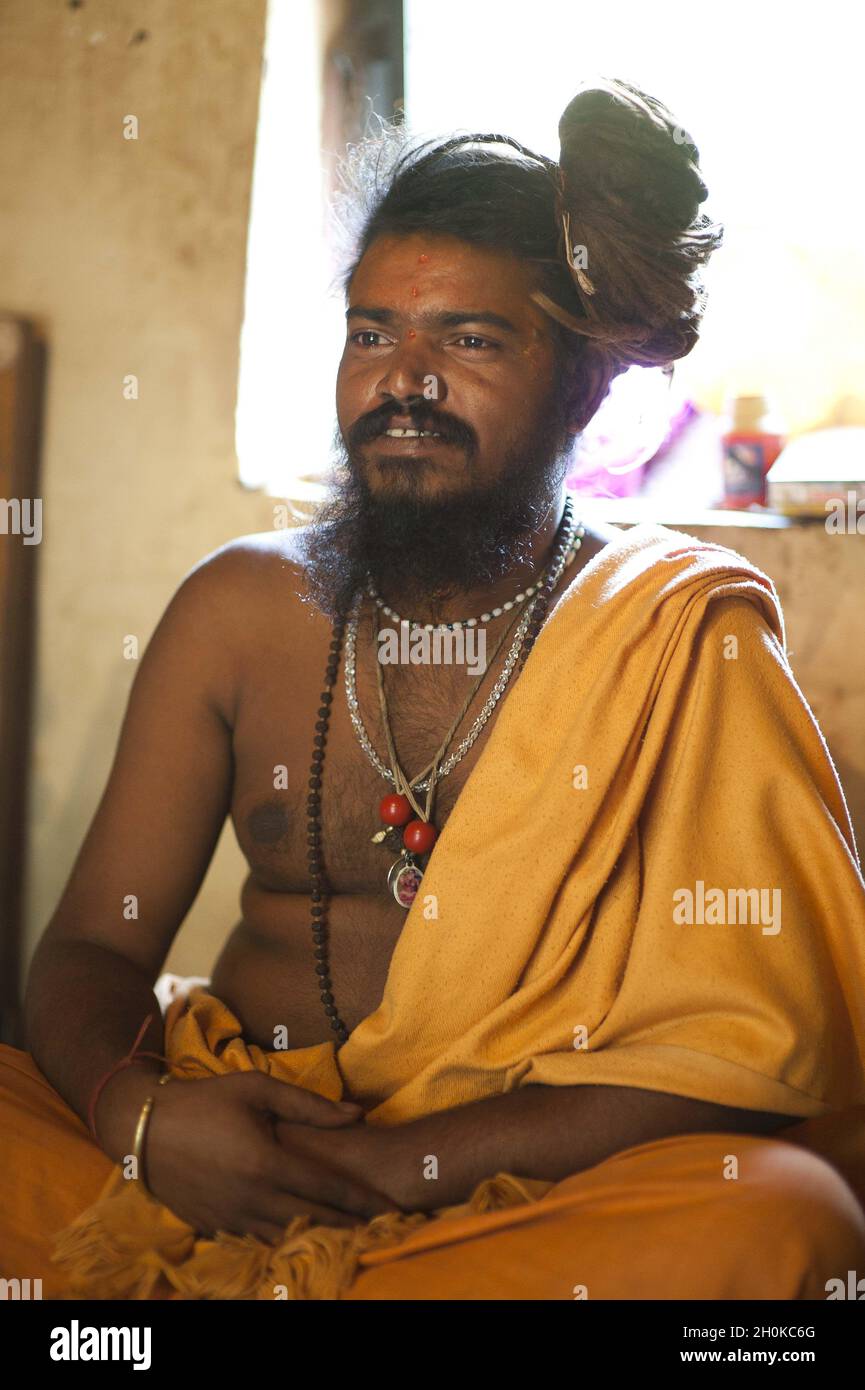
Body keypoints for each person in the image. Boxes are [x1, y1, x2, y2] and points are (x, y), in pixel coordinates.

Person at [3, 78, 865, 1302]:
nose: (401, 383)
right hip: (227, 1142)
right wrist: (144, 1118)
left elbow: (748, 1048)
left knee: (784, 1219)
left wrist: (396, 1165)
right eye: (371, 334)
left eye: (467, 340)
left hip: (514, 1193)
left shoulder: (679, 635)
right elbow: (90, 947)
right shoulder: (238, 611)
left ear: (586, 385)